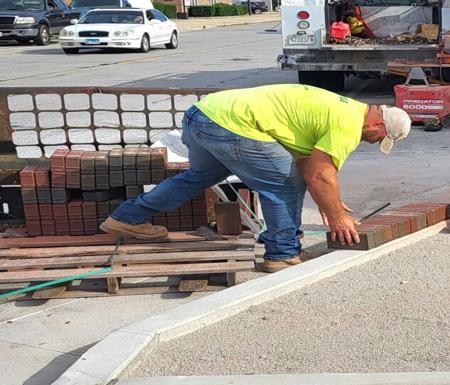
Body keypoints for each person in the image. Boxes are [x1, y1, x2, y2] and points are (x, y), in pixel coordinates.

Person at [100, 84, 410, 272]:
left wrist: (335, 207)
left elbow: (306, 161)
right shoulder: (348, 124)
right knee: (284, 183)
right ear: (378, 127)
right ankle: (282, 255)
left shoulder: (340, 108)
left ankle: (126, 218)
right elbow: (318, 176)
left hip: (201, 115)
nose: (371, 142)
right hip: (231, 125)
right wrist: (337, 217)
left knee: (198, 177)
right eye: (377, 140)